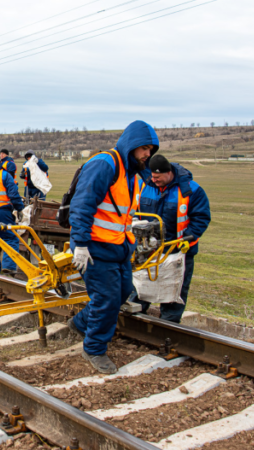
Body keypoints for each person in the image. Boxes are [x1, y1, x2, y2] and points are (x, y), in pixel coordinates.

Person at [67, 120, 159, 374]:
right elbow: (82, 205)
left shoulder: (132, 173)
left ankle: (80, 323)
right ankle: (94, 348)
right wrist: (82, 245)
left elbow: (120, 211)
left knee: (122, 293)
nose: (147, 154)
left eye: (150, 149)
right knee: (106, 298)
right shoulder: (105, 165)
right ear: (131, 145)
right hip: (95, 246)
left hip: (119, 247)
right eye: (144, 148)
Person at [134, 154, 211, 323]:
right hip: (147, 250)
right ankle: (133, 318)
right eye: (152, 177)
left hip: (178, 250)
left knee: (174, 291)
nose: (154, 180)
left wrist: (188, 237)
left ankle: (169, 326)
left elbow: (202, 217)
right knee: (139, 287)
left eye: (158, 177)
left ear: (169, 173)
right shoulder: (143, 185)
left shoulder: (191, 190)